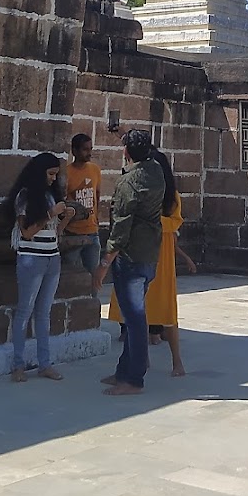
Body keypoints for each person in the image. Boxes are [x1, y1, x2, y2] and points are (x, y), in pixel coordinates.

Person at [110, 145, 196, 376]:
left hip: (162, 254)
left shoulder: (171, 196)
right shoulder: (138, 188)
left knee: (167, 311)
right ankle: (139, 360)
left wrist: (151, 220)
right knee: (136, 310)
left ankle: (177, 362)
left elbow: (175, 221)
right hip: (138, 251)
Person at [92, 129, 165, 396]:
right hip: (150, 254)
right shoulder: (156, 171)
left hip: (132, 256)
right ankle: (124, 369)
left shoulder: (129, 183)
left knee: (134, 319)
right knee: (134, 316)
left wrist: (104, 264)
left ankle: (134, 379)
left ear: (126, 152)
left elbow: (120, 230)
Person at [2, 152, 74, 382]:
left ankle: (45, 364)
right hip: (31, 259)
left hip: (52, 257)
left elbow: (54, 233)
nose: (54, 179)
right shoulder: (25, 196)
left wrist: (65, 219)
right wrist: (51, 213)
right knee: (25, 311)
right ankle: (18, 365)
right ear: (39, 172)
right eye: (51, 174)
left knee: (44, 313)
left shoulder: (50, 195)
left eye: (56, 174)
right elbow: (27, 232)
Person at [64, 134, 103, 296]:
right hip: (72, 232)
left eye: (90, 149)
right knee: (69, 275)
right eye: (85, 149)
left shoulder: (94, 169)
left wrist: (96, 218)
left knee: (94, 275)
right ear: (74, 151)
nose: (89, 153)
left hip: (92, 231)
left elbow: (97, 195)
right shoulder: (66, 173)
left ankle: (93, 305)